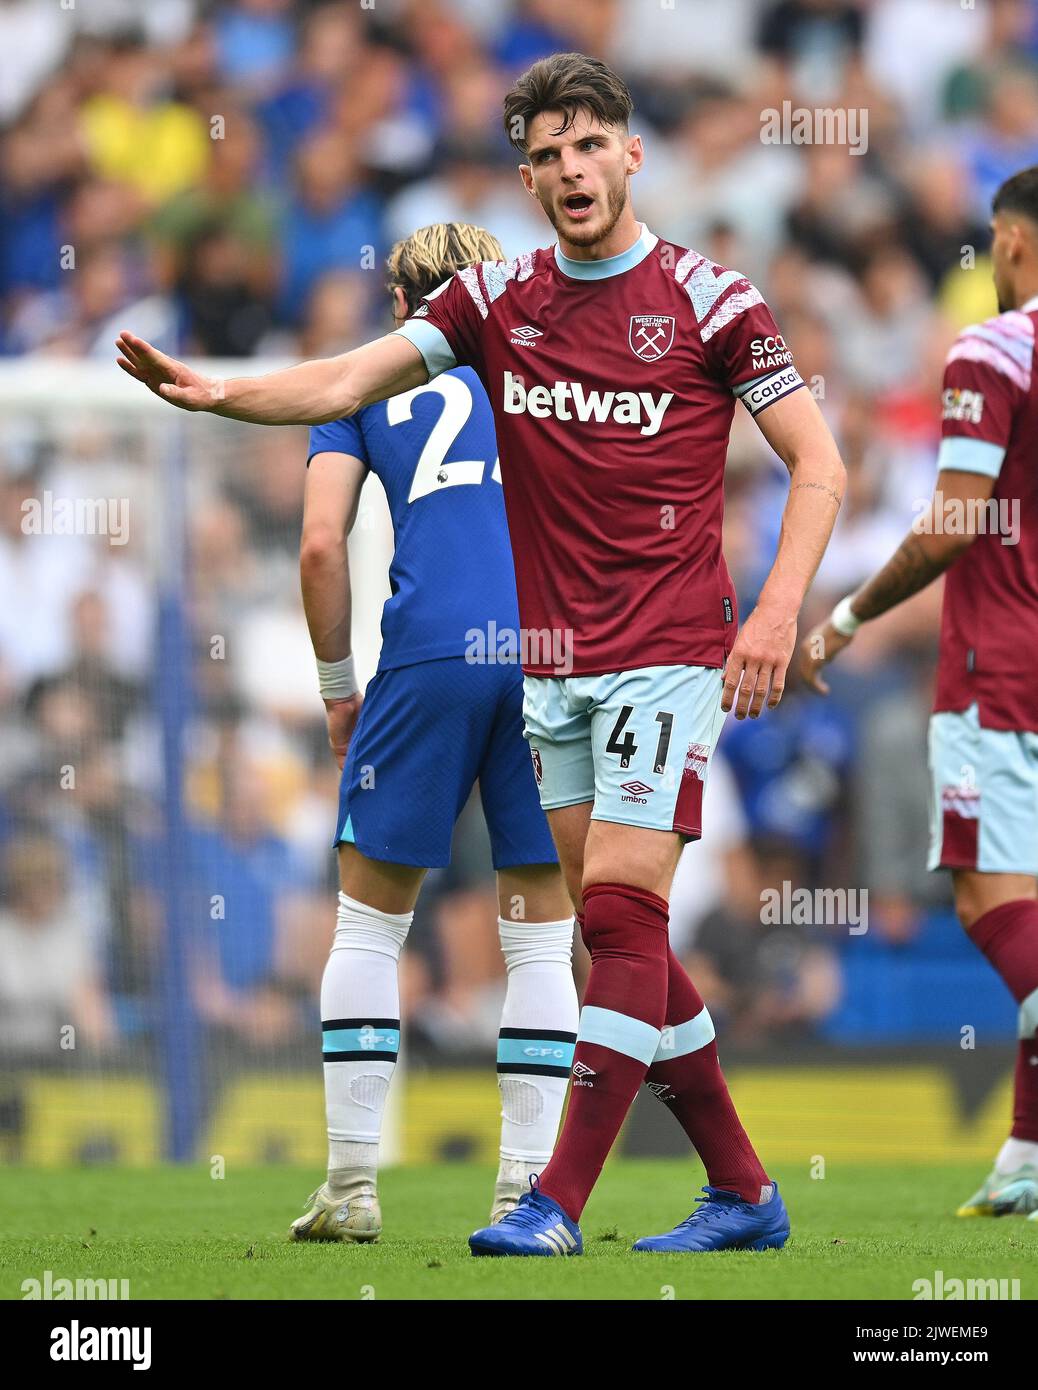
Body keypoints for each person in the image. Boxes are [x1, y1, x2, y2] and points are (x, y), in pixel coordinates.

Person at [116, 52, 845, 1258]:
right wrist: (217, 394)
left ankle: (549, 1200)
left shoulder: (715, 300)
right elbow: (350, 376)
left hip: (668, 650)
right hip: (551, 664)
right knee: (624, 941)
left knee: (614, 913)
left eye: (588, 146)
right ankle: (745, 1187)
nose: (570, 171)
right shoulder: (498, 301)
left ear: (630, 153)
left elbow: (819, 465)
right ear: (527, 175)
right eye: (547, 155)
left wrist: (774, 614)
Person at [298, 221, 576, 1242]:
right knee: (541, 936)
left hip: (429, 653)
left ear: (397, 302)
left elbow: (323, 545)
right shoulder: (550, 367)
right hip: (549, 649)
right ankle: (524, 1191)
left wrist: (338, 686)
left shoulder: (367, 385)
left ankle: (352, 1187)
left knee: (372, 924)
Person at [801, 165, 1038, 1224]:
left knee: (991, 900)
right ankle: (1030, 1155)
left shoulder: (992, 350)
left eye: (997, 241)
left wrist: (846, 617)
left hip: (1002, 665)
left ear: (1015, 241)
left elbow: (953, 520)